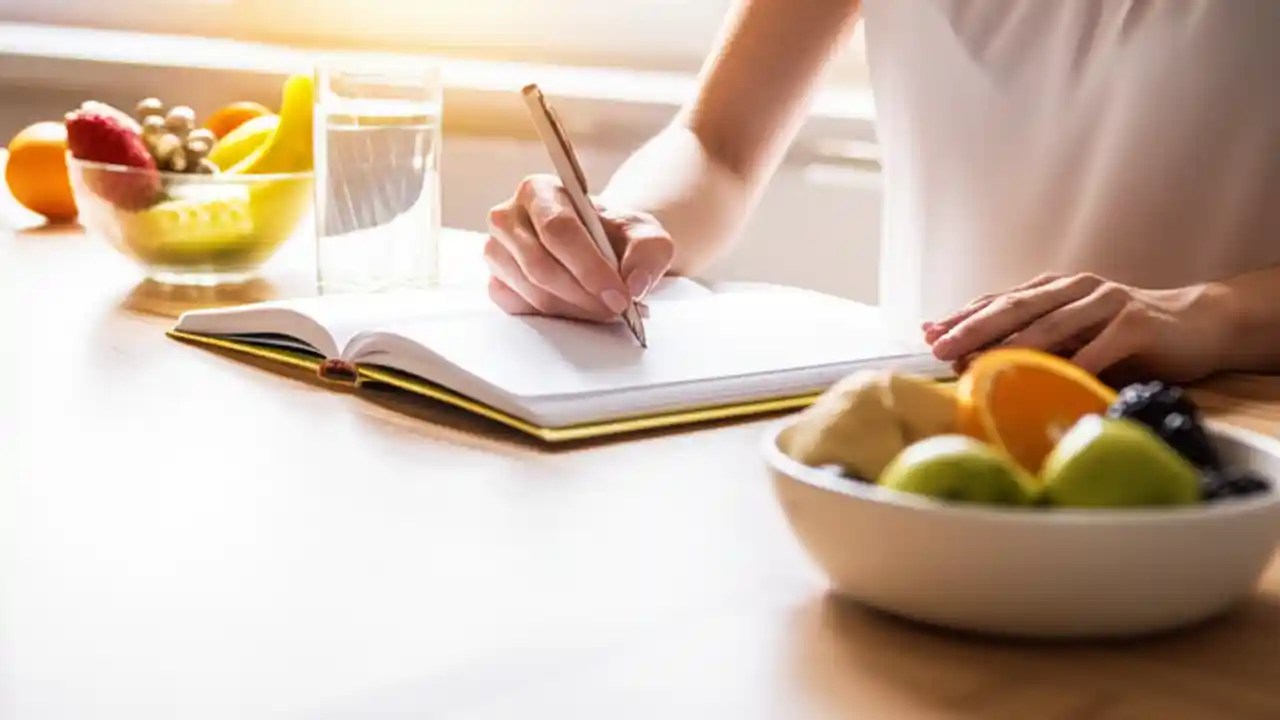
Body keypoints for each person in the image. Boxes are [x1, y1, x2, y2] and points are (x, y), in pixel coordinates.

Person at [484, 0, 1279, 382]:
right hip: (925, 444)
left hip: (1226, 440)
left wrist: (1202, 316)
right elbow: (716, 144)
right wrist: (626, 226)